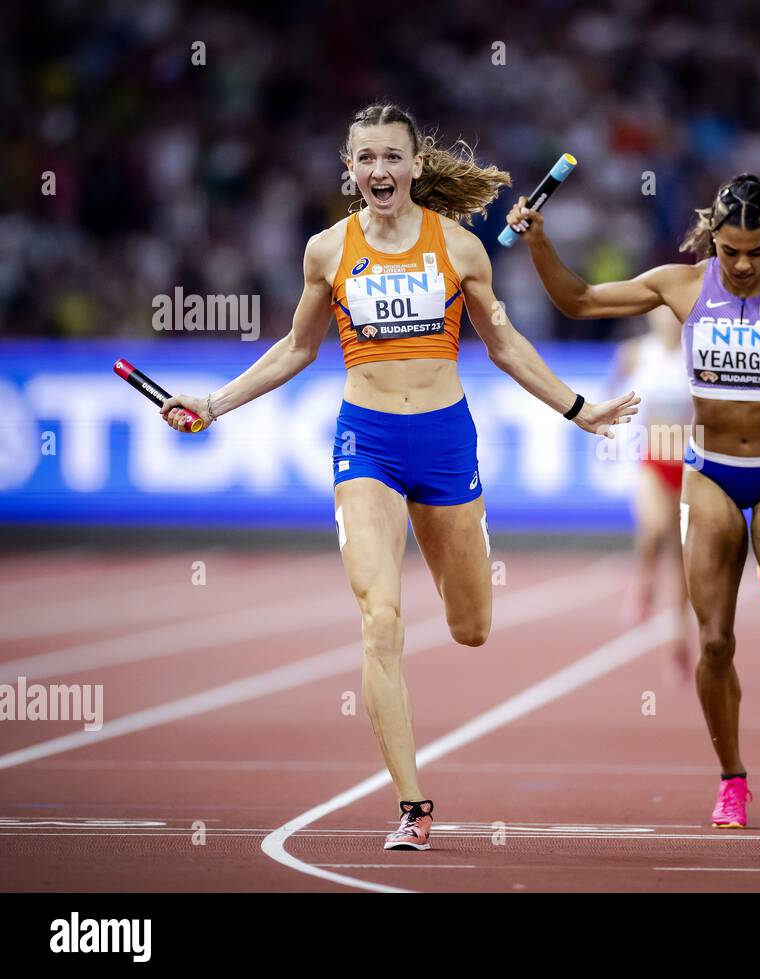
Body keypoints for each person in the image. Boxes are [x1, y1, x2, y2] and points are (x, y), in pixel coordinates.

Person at [160, 104, 637, 850]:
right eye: (365, 159)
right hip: (368, 444)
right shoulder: (327, 250)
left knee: (471, 627)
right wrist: (214, 404)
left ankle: (461, 570)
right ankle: (413, 805)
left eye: (391, 157)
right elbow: (295, 348)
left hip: (446, 444)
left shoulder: (459, 247)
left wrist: (577, 408)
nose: (379, 171)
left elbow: (506, 346)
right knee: (379, 621)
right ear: (348, 170)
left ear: (415, 166)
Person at [507, 175, 760, 827]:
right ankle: (732, 779)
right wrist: (540, 243)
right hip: (710, 474)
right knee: (714, 642)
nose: (741, 265)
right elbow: (579, 299)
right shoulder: (681, 286)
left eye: (755, 252)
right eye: (730, 250)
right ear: (713, 238)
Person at [610, 305, 694, 680]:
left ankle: (678, 645)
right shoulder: (636, 353)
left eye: (674, 314)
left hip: (691, 466)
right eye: (660, 314)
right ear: (650, 318)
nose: (668, 321)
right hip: (653, 461)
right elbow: (609, 391)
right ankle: (643, 584)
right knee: (654, 528)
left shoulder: (697, 353)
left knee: (684, 565)